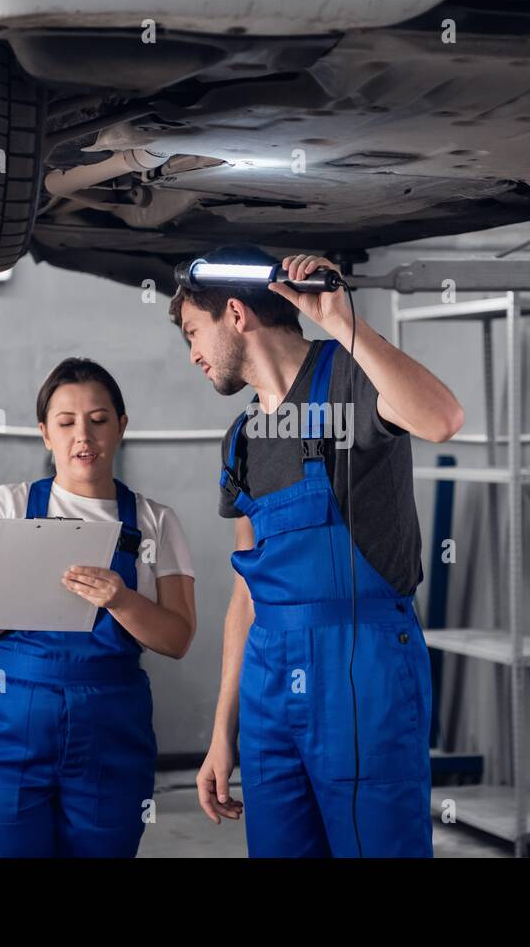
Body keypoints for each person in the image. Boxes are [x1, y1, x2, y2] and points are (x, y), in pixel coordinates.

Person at [170, 244, 465, 857]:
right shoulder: (242, 441)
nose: (194, 355)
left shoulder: (349, 378)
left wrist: (342, 321)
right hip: (269, 684)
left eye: (194, 333)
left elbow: (442, 418)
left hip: (362, 669)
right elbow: (246, 593)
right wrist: (223, 731)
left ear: (236, 313)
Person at [0, 357, 196, 857]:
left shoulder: (155, 522)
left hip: (110, 725)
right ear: (44, 433)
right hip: (8, 720)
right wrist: (31, 578)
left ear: (121, 427)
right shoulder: (8, 507)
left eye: (99, 420)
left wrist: (121, 599)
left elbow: (177, 637)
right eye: (65, 423)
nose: (83, 435)